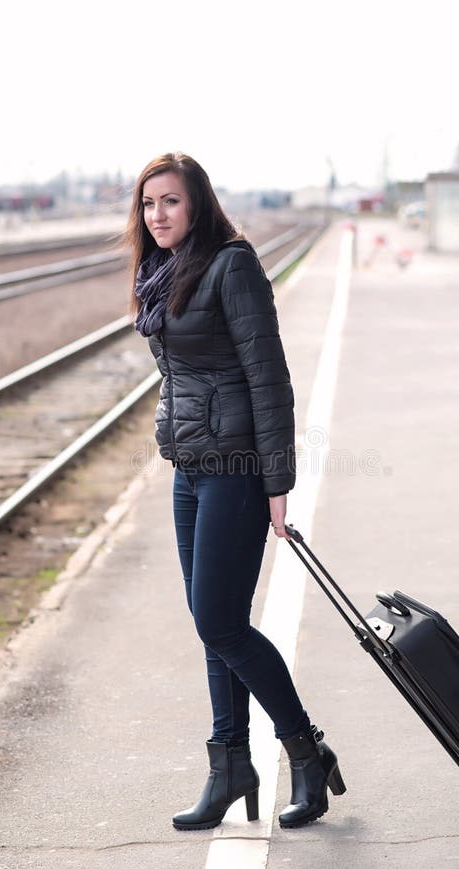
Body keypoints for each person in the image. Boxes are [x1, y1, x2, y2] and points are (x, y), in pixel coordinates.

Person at [125, 152, 345, 830]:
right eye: (148, 203)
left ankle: (306, 753)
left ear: (197, 204)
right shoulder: (159, 272)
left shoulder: (232, 264)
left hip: (237, 468)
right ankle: (229, 769)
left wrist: (277, 482)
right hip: (189, 468)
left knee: (220, 621)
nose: (157, 215)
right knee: (210, 625)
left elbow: (269, 378)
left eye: (169, 202)